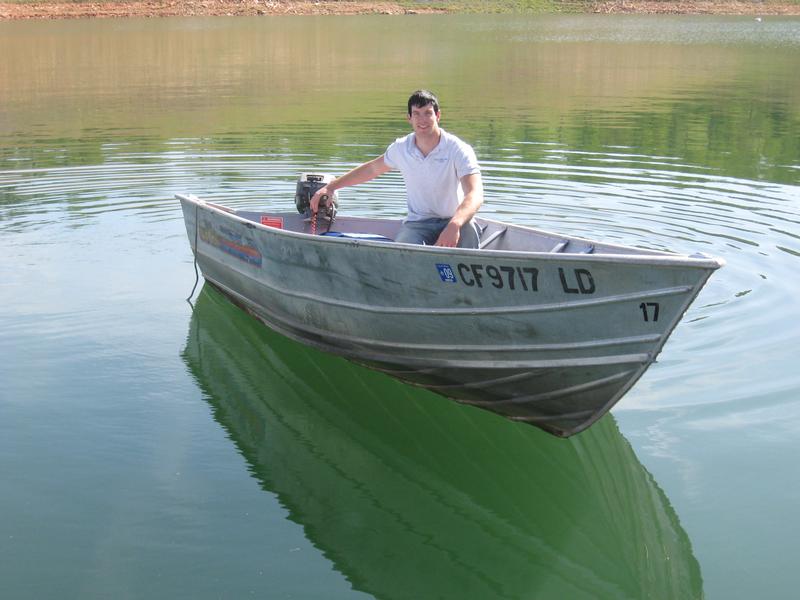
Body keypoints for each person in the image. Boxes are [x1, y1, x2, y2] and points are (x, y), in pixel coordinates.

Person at [310, 90, 484, 248]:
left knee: (468, 232)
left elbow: (475, 194)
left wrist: (455, 225)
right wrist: (331, 187)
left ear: (438, 116)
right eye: (416, 114)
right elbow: (371, 169)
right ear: (409, 118)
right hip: (418, 224)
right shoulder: (402, 148)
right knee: (402, 249)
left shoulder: (458, 149)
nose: (422, 120)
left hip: (455, 219)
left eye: (427, 114)